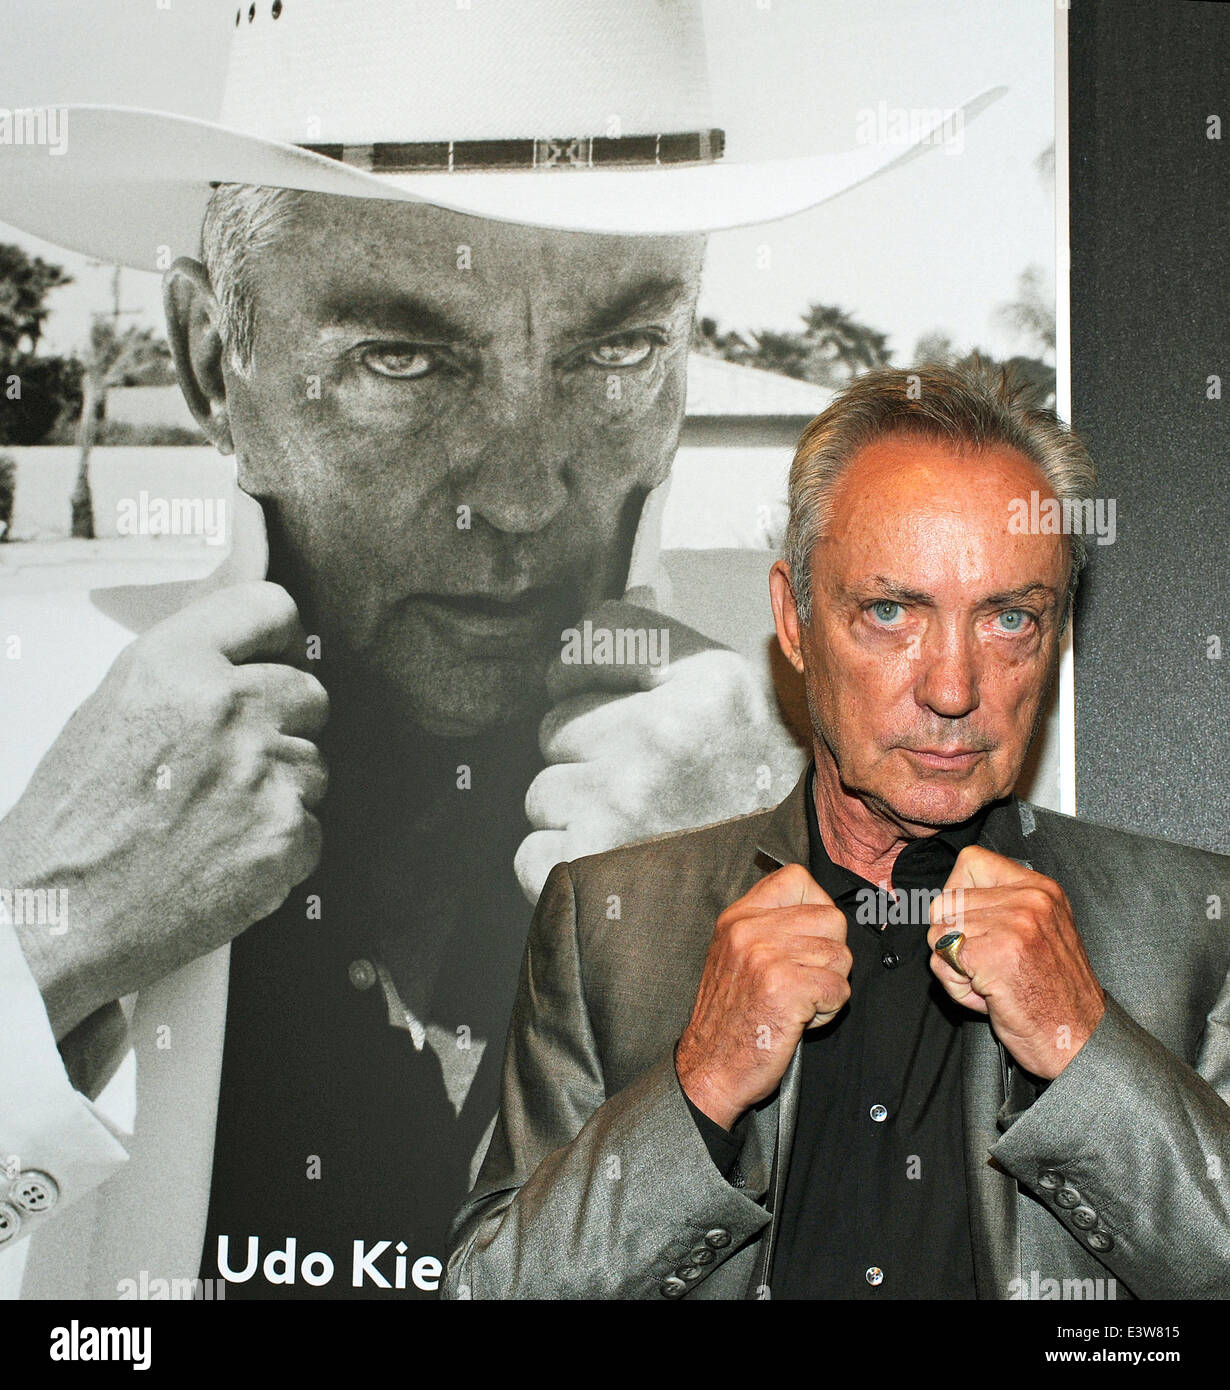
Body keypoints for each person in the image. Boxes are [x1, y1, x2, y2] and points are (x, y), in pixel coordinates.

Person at [0, 1, 974, 1299]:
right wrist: (34, 948)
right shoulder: (31, 749)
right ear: (209, 364)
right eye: (402, 359)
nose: (520, 495)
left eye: (617, 350)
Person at [445, 362, 1230, 1301]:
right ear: (792, 616)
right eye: (892, 612)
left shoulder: (1192, 921)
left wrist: (1082, 1044)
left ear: (1056, 633)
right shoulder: (607, 920)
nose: (953, 689)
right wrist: (699, 1087)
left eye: (1010, 618)